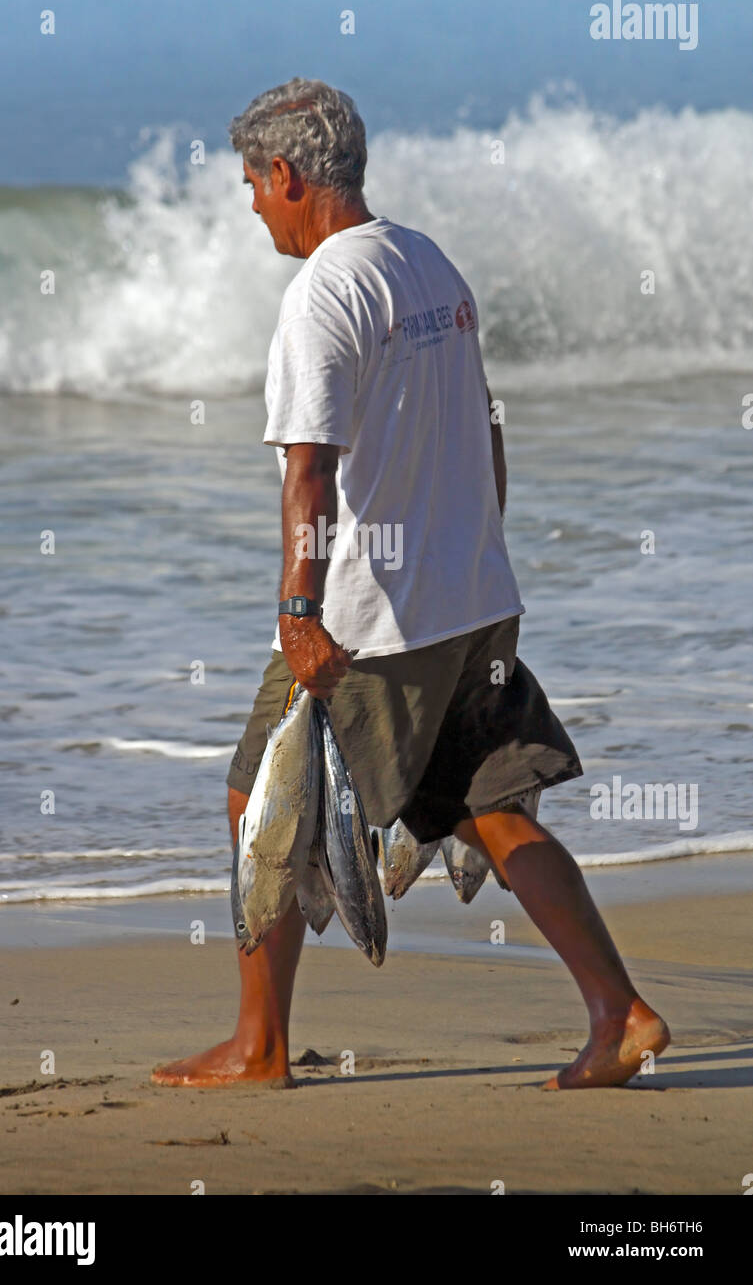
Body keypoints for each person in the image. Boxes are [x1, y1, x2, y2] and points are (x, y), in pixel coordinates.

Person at [151, 78, 669, 1091]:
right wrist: (478, 552)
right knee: (494, 810)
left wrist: (299, 612)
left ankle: (258, 1046)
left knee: (255, 796)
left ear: (288, 174)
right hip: (471, 600)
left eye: (252, 183)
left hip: (371, 619)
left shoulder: (322, 294)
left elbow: (309, 469)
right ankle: (620, 1013)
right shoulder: (426, 262)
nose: (251, 203)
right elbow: (486, 428)